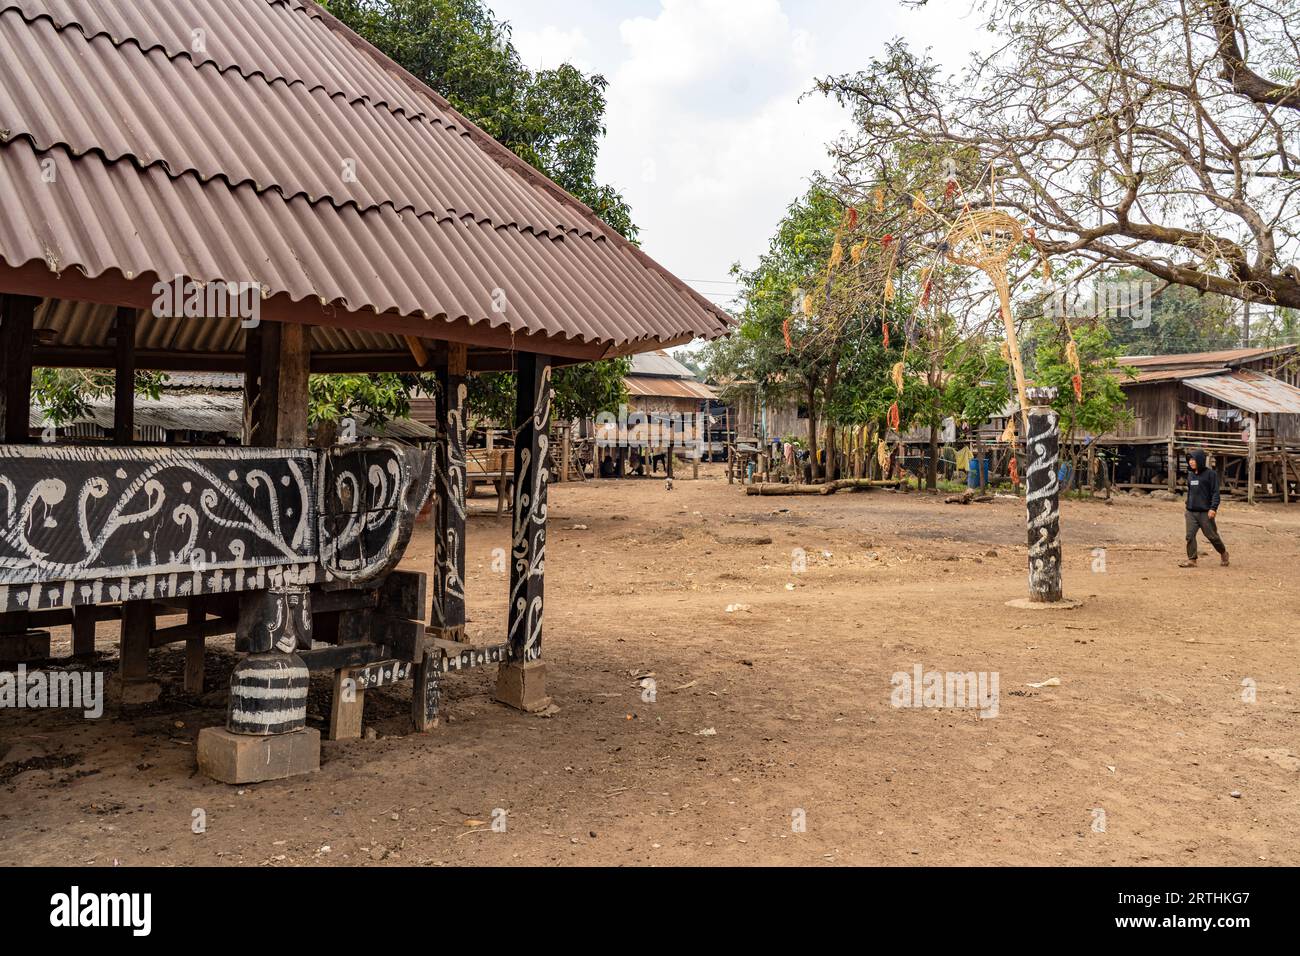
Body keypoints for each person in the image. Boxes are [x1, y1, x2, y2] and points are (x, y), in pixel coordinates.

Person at [1180, 449, 1229, 568]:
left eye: (1193, 459)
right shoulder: (1190, 475)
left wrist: (1213, 508)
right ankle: (1192, 559)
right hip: (1191, 511)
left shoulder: (1210, 474)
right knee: (1190, 535)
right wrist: (1188, 505)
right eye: (1189, 460)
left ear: (1200, 460)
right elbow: (1191, 491)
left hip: (1205, 512)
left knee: (1211, 536)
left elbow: (1215, 493)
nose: (1191, 462)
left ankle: (1223, 552)